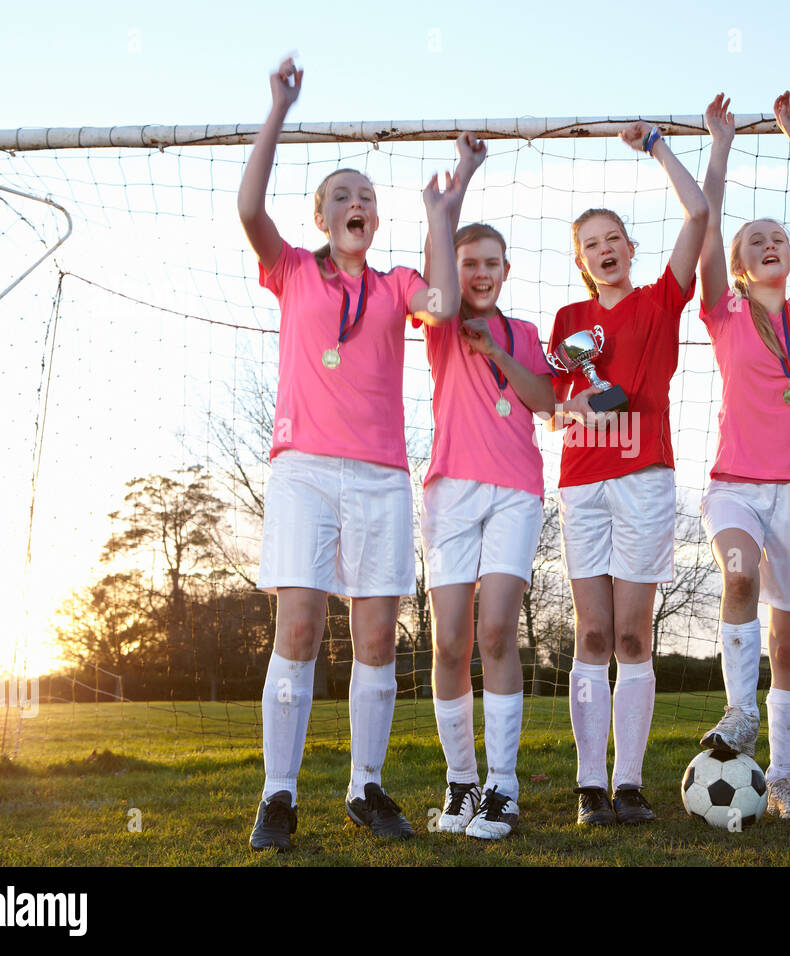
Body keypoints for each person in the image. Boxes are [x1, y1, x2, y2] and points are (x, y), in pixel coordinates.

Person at [238, 57, 461, 851]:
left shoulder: (398, 282)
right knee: (296, 630)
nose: (357, 203)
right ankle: (279, 795)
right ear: (320, 215)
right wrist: (277, 109)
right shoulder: (292, 269)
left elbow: (446, 303)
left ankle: (366, 789)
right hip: (302, 471)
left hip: (380, 479)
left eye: (367, 196)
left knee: (375, 641)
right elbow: (248, 205)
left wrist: (443, 207)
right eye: (342, 196)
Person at [547, 122, 708, 825]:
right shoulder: (568, 320)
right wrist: (572, 404)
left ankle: (630, 785)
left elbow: (699, 214)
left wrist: (657, 147)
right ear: (581, 261)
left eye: (614, 239)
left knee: (634, 637)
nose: (605, 250)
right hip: (583, 481)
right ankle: (589, 788)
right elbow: (556, 408)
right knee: (591, 636)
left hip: (645, 476)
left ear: (631, 250)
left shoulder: (658, 301)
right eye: (592, 244)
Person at [696, 92, 790, 820]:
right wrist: (719, 144)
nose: (770, 243)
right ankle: (736, 711)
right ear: (738, 265)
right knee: (739, 576)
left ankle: (782, 777)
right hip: (736, 487)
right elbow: (709, 222)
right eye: (756, 241)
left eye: (775, 237)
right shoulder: (723, 313)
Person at [417, 134, 557, 840]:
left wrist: (498, 348)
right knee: (449, 644)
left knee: (497, 629)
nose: (478, 272)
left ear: (505, 270)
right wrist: (459, 184)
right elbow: (436, 273)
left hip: (514, 494)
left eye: (489, 263)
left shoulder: (525, 332)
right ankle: (461, 783)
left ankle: (503, 788)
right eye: (468, 262)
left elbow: (540, 401)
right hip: (452, 492)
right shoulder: (437, 325)